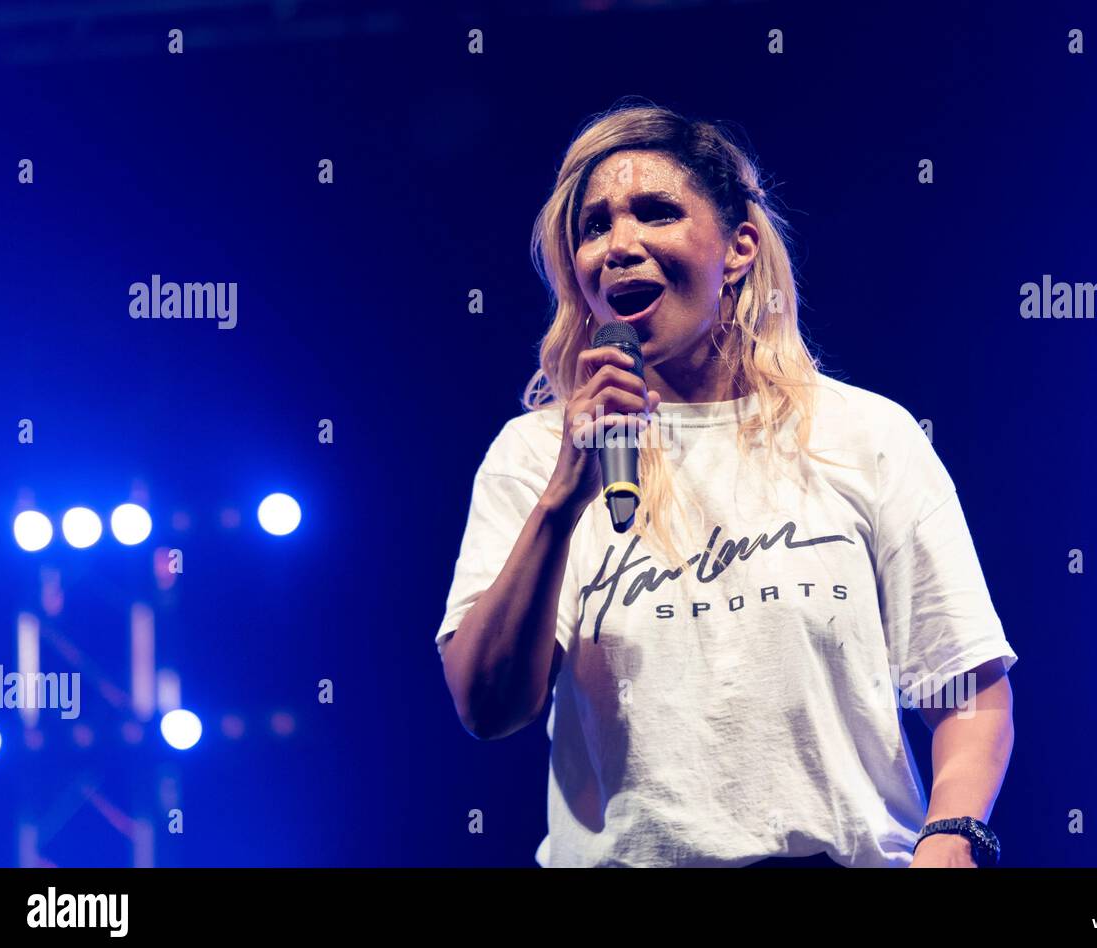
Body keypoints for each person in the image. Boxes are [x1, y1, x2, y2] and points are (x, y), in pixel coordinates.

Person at [434, 101, 1018, 868]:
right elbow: (487, 706)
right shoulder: (533, 454)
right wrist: (560, 500)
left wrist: (951, 837)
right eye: (594, 227)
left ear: (738, 245)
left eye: (655, 212)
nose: (620, 245)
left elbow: (964, 682)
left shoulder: (865, 435)